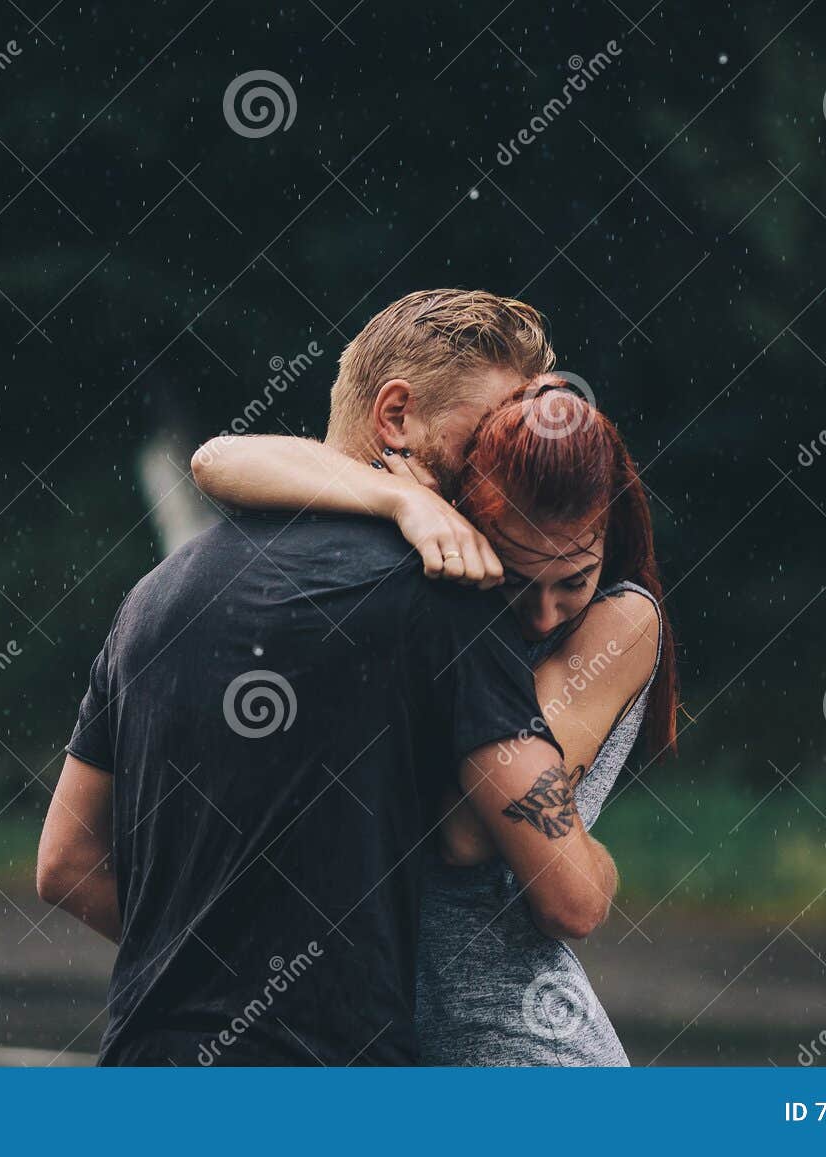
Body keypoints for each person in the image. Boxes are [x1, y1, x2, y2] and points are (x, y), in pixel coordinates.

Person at [34, 289, 620, 1065]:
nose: (503, 462)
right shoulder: (450, 599)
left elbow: (65, 862)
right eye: (487, 435)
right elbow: (569, 894)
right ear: (396, 416)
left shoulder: (154, 595)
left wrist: (221, 978)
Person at [191, 375, 678, 1064]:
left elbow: (468, 833)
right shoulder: (439, 572)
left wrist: (595, 868)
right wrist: (403, 500)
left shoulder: (622, 621)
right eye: (517, 581)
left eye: (574, 578)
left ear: (610, 531)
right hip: (390, 1045)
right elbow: (218, 460)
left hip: (522, 1053)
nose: (542, 615)